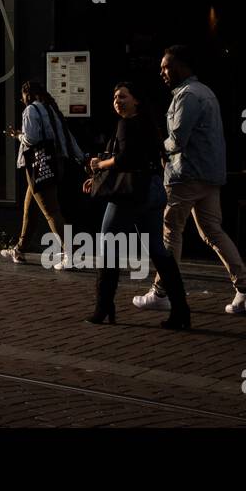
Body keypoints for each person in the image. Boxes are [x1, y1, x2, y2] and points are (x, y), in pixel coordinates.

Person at [133, 45, 246, 315]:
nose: (162, 72)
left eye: (166, 67)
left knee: (171, 232)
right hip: (209, 175)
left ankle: (161, 292)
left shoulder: (188, 95)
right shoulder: (206, 93)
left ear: (181, 65)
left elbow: (178, 140)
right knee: (213, 232)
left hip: (186, 175)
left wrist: (155, 147)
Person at [82, 81, 191, 329]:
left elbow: (123, 159)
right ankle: (181, 311)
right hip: (152, 190)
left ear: (136, 100)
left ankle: (103, 306)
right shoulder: (149, 124)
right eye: (115, 98)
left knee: (108, 243)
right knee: (157, 249)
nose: (117, 101)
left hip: (130, 193)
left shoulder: (127, 124)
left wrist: (100, 166)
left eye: (123, 97)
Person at [1, 81, 86, 270]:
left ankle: (70, 254)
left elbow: (32, 138)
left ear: (27, 94)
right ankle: (20, 249)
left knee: (51, 212)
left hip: (39, 166)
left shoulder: (30, 110)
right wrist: (81, 157)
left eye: (22, 96)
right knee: (29, 209)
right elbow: (67, 136)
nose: (21, 100)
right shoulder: (51, 110)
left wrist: (18, 136)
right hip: (57, 163)